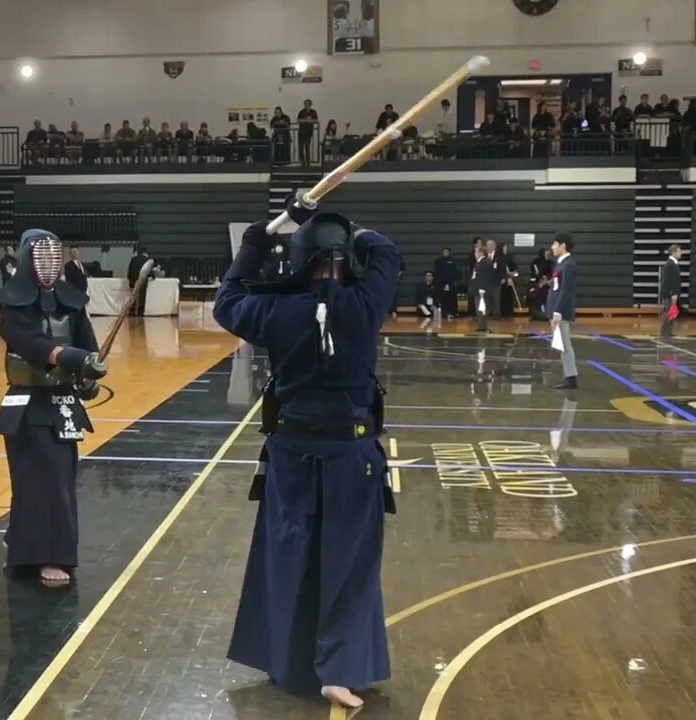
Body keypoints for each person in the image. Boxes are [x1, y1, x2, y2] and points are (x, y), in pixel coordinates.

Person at [214, 206, 398, 710]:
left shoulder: (276, 310)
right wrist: (355, 228)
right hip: (351, 456)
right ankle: (338, 670)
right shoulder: (366, 303)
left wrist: (253, 245)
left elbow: (227, 301)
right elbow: (386, 253)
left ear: (297, 259)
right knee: (350, 566)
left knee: (287, 556)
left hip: (292, 456)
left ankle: (290, 663)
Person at [0, 229, 105, 585]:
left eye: (54, 257)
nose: (49, 265)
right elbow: (28, 342)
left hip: (63, 402)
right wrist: (67, 356)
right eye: (41, 257)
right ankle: (43, 554)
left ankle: (29, 542)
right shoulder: (14, 304)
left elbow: (86, 343)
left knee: (60, 477)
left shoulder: (71, 302)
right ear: (28, 259)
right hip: (27, 402)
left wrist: (88, 373)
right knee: (35, 479)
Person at [548, 233, 579, 390]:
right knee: (561, 344)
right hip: (555, 309)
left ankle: (571, 377)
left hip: (561, 312)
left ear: (563, 245)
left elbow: (566, 290)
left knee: (565, 344)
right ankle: (568, 375)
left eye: (555, 244)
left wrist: (558, 311)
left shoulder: (569, 265)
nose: (552, 247)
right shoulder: (560, 263)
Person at [658, 244, 682, 340]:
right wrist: (673, 293)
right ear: (673, 252)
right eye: (679, 251)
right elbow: (669, 280)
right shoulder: (670, 264)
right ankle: (664, 333)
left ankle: (668, 332)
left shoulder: (673, 264)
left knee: (672, 312)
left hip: (671, 293)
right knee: (668, 312)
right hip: (669, 293)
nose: (681, 253)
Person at [127, 246, 153, 317]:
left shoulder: (133, 259)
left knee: (133, 296)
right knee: (141, 297)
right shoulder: (147, 260)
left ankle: (131, 311)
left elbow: (129, 271)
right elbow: (149, 272)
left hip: (132, 280)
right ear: (146, 253)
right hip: (141, 280)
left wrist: (129, 279)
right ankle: (140, 313)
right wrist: (153, 276)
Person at [433, 247, 458, 318]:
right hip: (440, 282)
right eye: (444, 252)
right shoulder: (438, 261)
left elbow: (455, 272)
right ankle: (440, 312)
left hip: (450, 282)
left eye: (446, 252)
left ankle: (452, 312)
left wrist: (452, 281)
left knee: (451, 298)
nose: (445, 253)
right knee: (440, 297)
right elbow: (437, 271)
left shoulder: (453, 261)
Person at [296, 99, 319, 165]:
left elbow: (316, 120)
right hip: (301, 131)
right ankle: (303, 161)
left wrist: (309, 120)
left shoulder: (313, 112)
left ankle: (308, 162)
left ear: (310, 105)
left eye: (308, 104)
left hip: (308, 131)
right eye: (305, 104)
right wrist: (307, 120)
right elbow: (298, 120)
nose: (306, 105)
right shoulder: (301, 112)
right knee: (300, 147)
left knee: (307, 146)